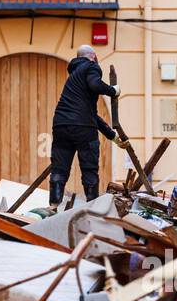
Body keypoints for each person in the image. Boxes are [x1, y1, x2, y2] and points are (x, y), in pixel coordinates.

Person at [49, 44, 124, 205]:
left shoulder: (73, 78)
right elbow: (95, 85)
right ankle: (93, 206)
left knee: (59, 168)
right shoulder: (91, 67)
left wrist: (113, 137)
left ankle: (53, 205)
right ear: (93, 56)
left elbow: (91, 115)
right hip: (83, 128)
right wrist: (113, 90)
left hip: (61, 124)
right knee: (89, 168)